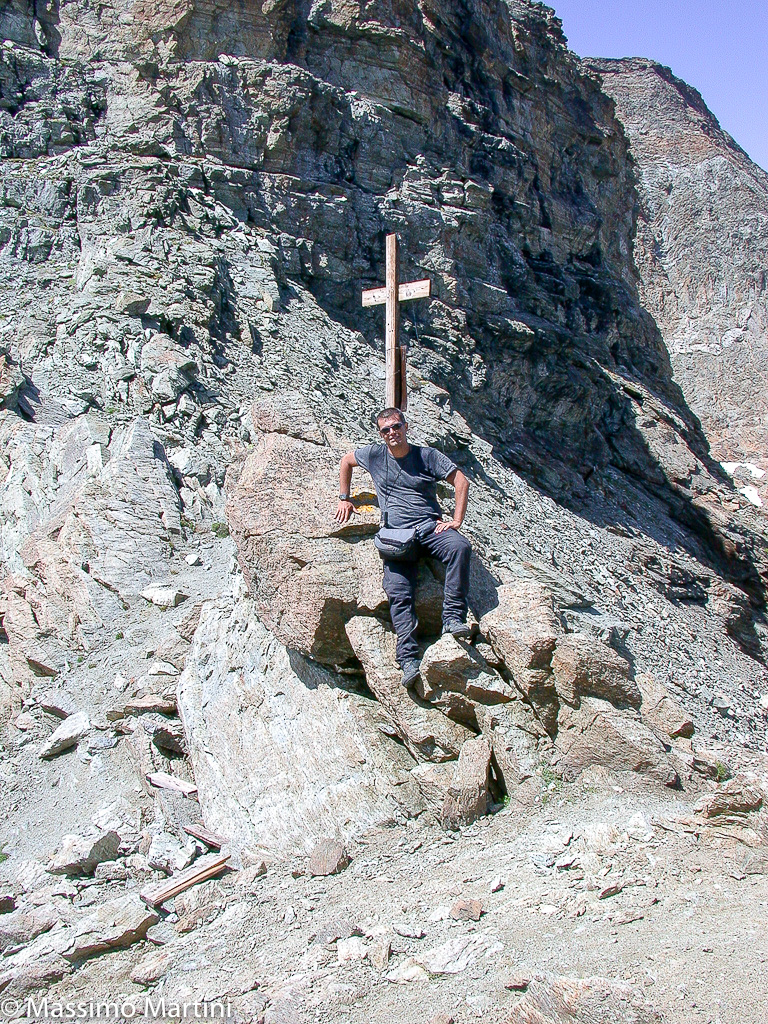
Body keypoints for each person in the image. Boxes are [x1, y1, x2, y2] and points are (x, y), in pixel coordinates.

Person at [334, 407, 472, 688]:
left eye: (396, 427)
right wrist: (344, 498)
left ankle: (453, 618)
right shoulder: (374, 454)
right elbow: (346, 461)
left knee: (459, 547)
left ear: (406, 427)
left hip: (429, 527)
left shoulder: (427, 456)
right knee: (398, 592)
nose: (392, 433)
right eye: (385, 430)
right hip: (396, 536)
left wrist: (456, 520)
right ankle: (408, 660)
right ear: (380, 434)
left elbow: (461, 481)